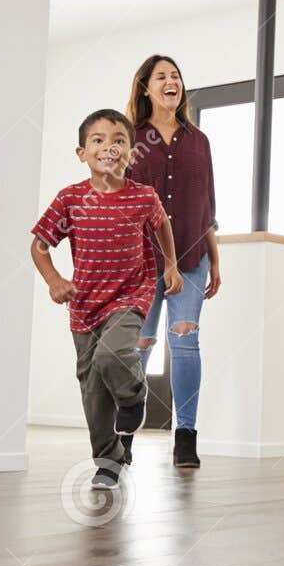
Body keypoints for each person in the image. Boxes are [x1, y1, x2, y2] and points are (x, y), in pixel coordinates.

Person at [30, 109, 181, 488]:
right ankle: (109, 459)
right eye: (98, 140)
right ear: (82, 153)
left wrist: (170, 265)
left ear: (131, 152)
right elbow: (40, 245)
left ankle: (133, 398)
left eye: (119, 140)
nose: (109, 147)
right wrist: (53, 280)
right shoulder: (71, 199)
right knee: (92, 387)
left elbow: (162, 224)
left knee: (111, 355)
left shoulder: (143, 197)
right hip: (84, 304)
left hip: (132, 293)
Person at [125, 55, 220, 469]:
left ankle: (185, 437)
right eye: (161, 76)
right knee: (139, 346)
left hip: (190, 258)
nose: (171, 82)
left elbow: (207, 206)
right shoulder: (129, 137)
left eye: (176, 76)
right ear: (146, 87)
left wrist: (215, 262)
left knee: (185, 344)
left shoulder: (199, 140)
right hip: (141, 260)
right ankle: (122, 434)